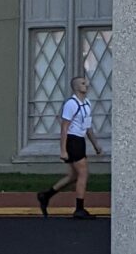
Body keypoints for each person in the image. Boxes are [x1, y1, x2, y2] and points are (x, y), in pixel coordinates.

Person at [37, 83, 95, 219]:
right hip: (72, 140)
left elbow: (87, 126)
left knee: (73, 176)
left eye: (85, 82)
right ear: (75, 87)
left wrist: (95, 144)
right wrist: (63, 150)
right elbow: (64, 127)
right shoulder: (71, 104)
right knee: (83, 173)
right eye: (82, 83)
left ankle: (45, 195)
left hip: (80, 140)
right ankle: (79, 209)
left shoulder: (87, 103)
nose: (86, 85)